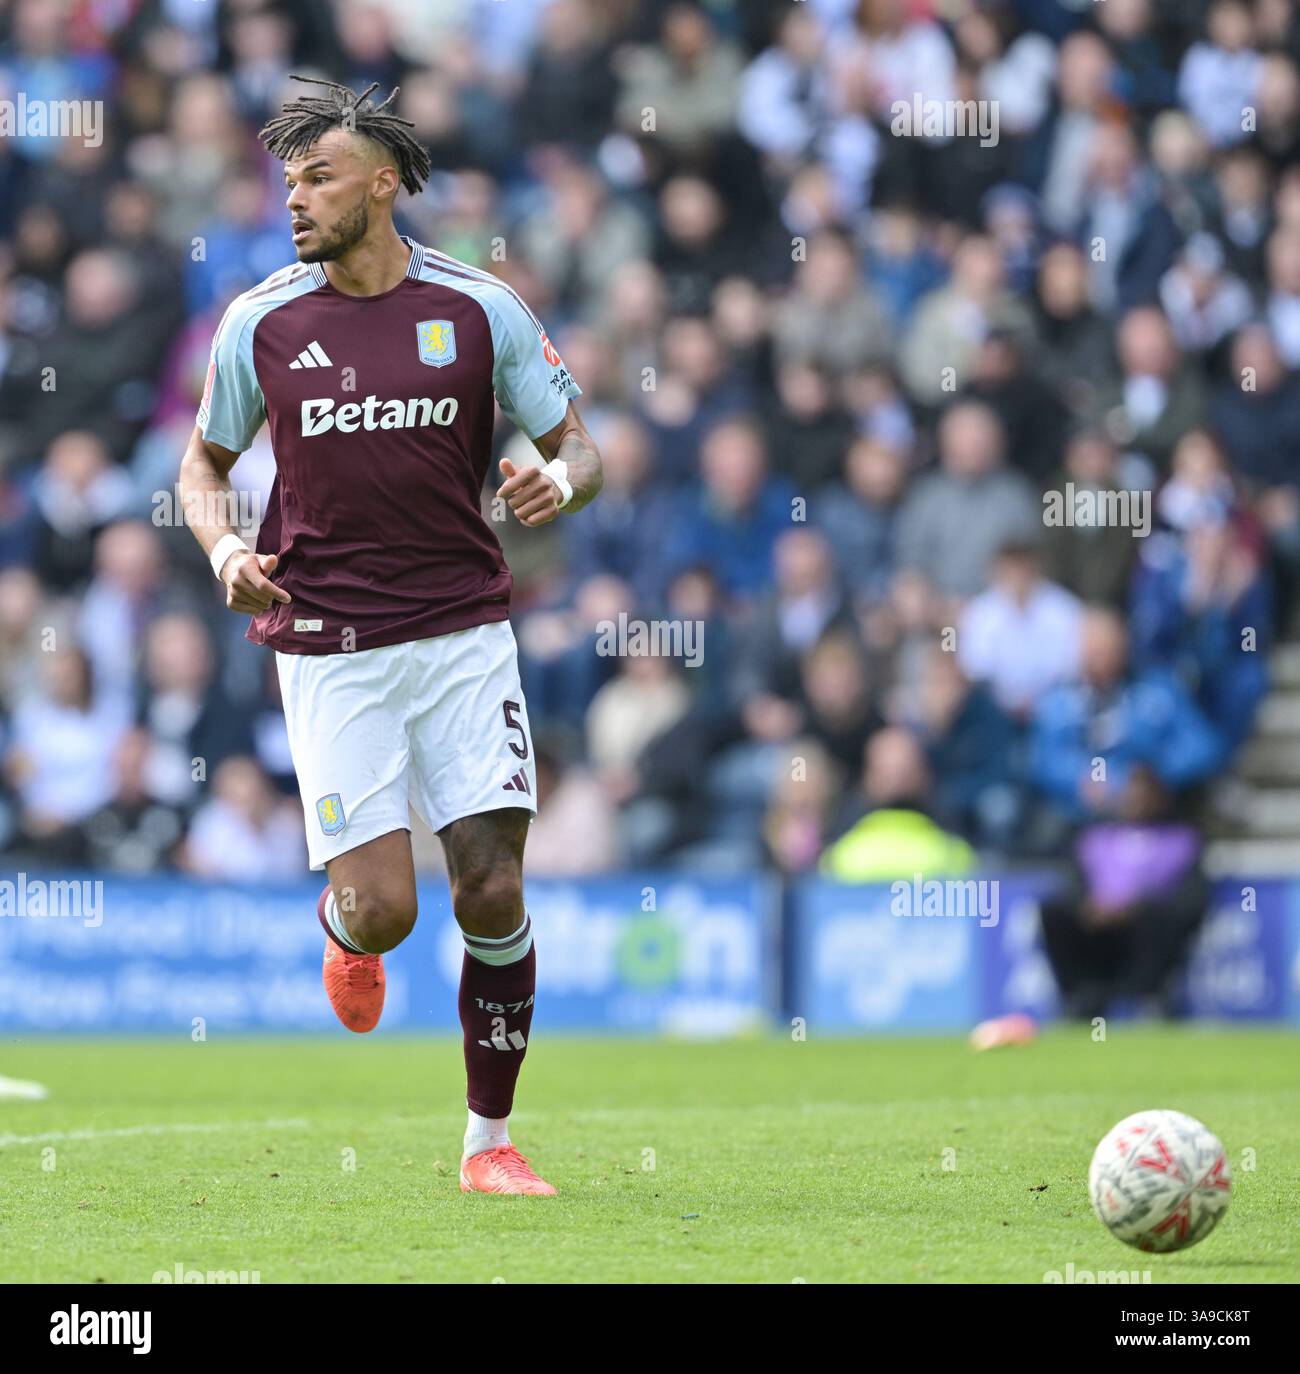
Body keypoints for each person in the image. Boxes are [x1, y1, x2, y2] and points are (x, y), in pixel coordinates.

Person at [178, 77, 603, 1197]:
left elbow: (584, 446)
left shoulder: (479, 308)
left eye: (317, 178)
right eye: (287, 183)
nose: (296, 201)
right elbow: (202, 470)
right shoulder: (260, 323)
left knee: (492, 888)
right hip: (329, 646)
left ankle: (488, 1144)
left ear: (384, 182)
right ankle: (343, 930)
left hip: (464, 633)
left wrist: (556, 479)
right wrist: (226, 554)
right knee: (387, 911)